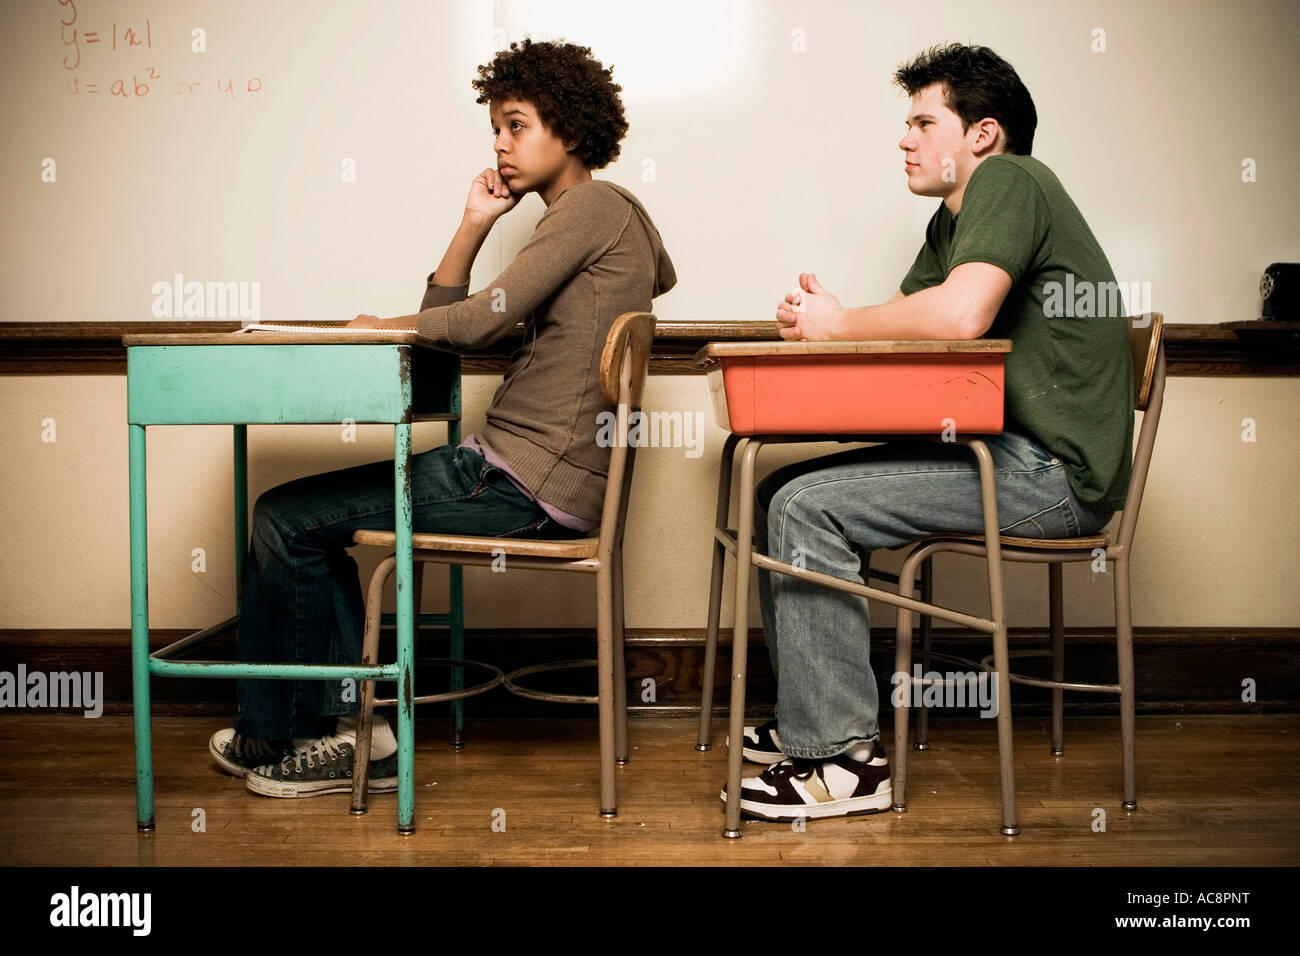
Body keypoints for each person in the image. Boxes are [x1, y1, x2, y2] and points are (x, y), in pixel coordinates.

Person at [208, 38, 676, 797]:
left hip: (518, 484)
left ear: (572, 128)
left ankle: (321, 737)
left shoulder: (594, 206)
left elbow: (476, 323)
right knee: (293, 517)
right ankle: (324, 729)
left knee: (285, 519)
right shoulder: (593, 224)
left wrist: (372, 326)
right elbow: (451, 325)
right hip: (511, 473)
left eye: (517, 124)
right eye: (495, 126)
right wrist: (474, 224)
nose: (499, 142)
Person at [729, 43, 1134, 821]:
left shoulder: (1011, 180)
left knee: (805, 509)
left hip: (1054, 477)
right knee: (781, 489)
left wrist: (839, 324)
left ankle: (843, 762)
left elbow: (959, 316)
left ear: (982, 134)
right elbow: (911, 348)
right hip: (1010, 455)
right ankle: (814, 715)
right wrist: (827, 327)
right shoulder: (951, 225)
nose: (905, 139)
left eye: (923, 121)